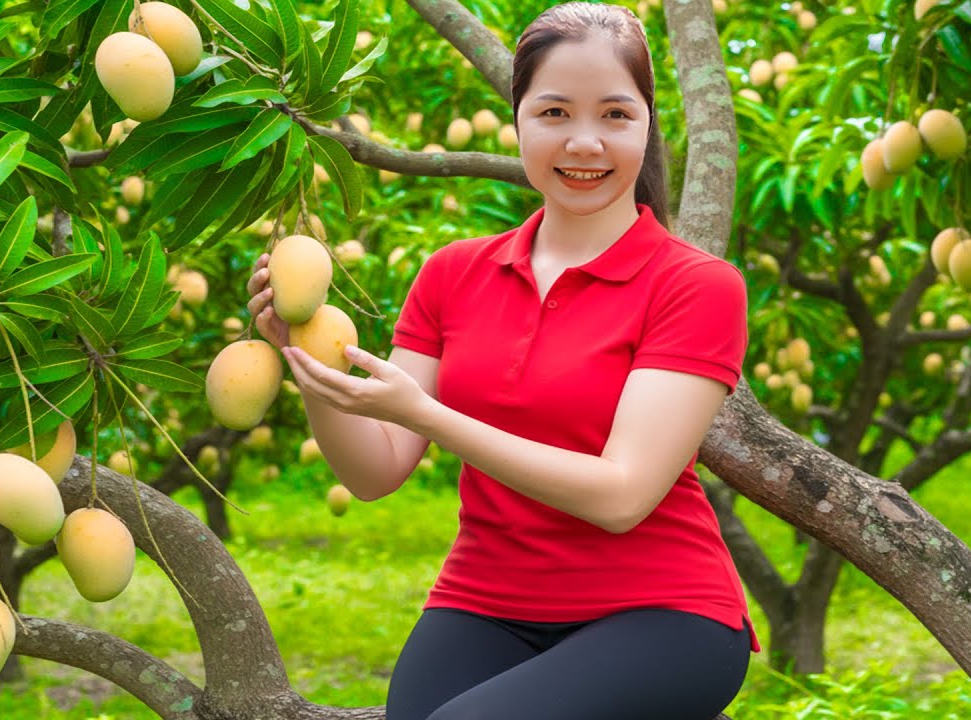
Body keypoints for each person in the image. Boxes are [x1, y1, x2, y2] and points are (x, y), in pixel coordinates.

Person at [245, 3, 760, 718]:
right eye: (555, 113)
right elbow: (374, 472)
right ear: (518, 119)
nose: (585, 141)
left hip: (663, 610)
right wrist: (310, 365)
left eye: (616, 114)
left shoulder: (695, 285)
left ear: (648, 125)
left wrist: (429, 416)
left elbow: (622, 497)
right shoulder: (453, 274)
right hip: (485, 599)